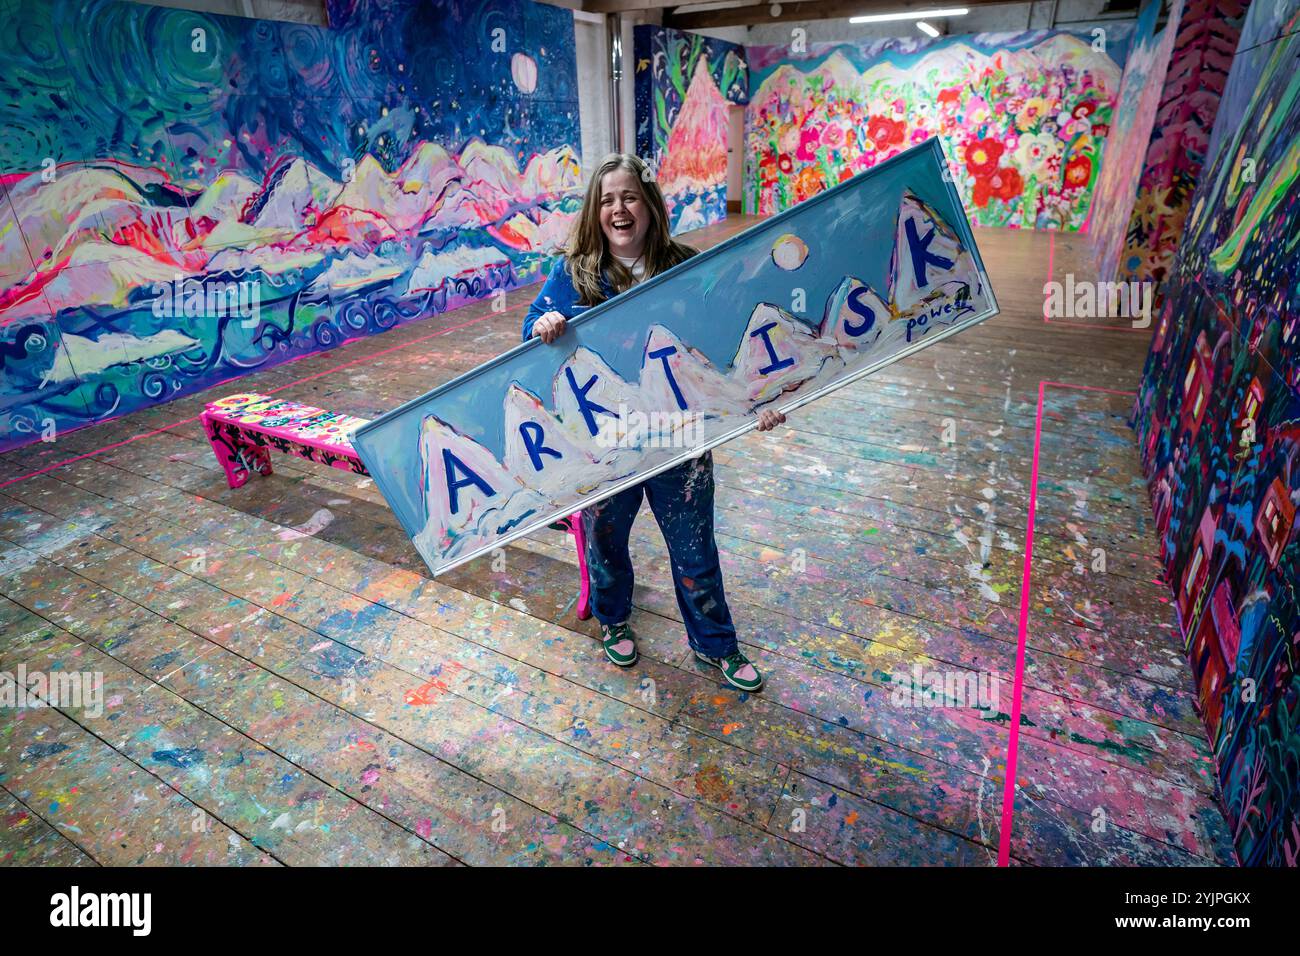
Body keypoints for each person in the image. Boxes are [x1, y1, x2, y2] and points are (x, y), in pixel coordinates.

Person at [523, 152, 785, 693]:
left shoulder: (684, 265)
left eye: (630, 197)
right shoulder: (575, 273)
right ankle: (614, 616)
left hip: (680, 435)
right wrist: (543, 323)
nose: (618, 209)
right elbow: (530, 334)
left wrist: (757, 400)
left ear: (649, 205)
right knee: (606, 538)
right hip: (608, 441)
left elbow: (723, 341)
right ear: (596, 210)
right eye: (607, 199)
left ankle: (716, 644)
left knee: (695, 546)